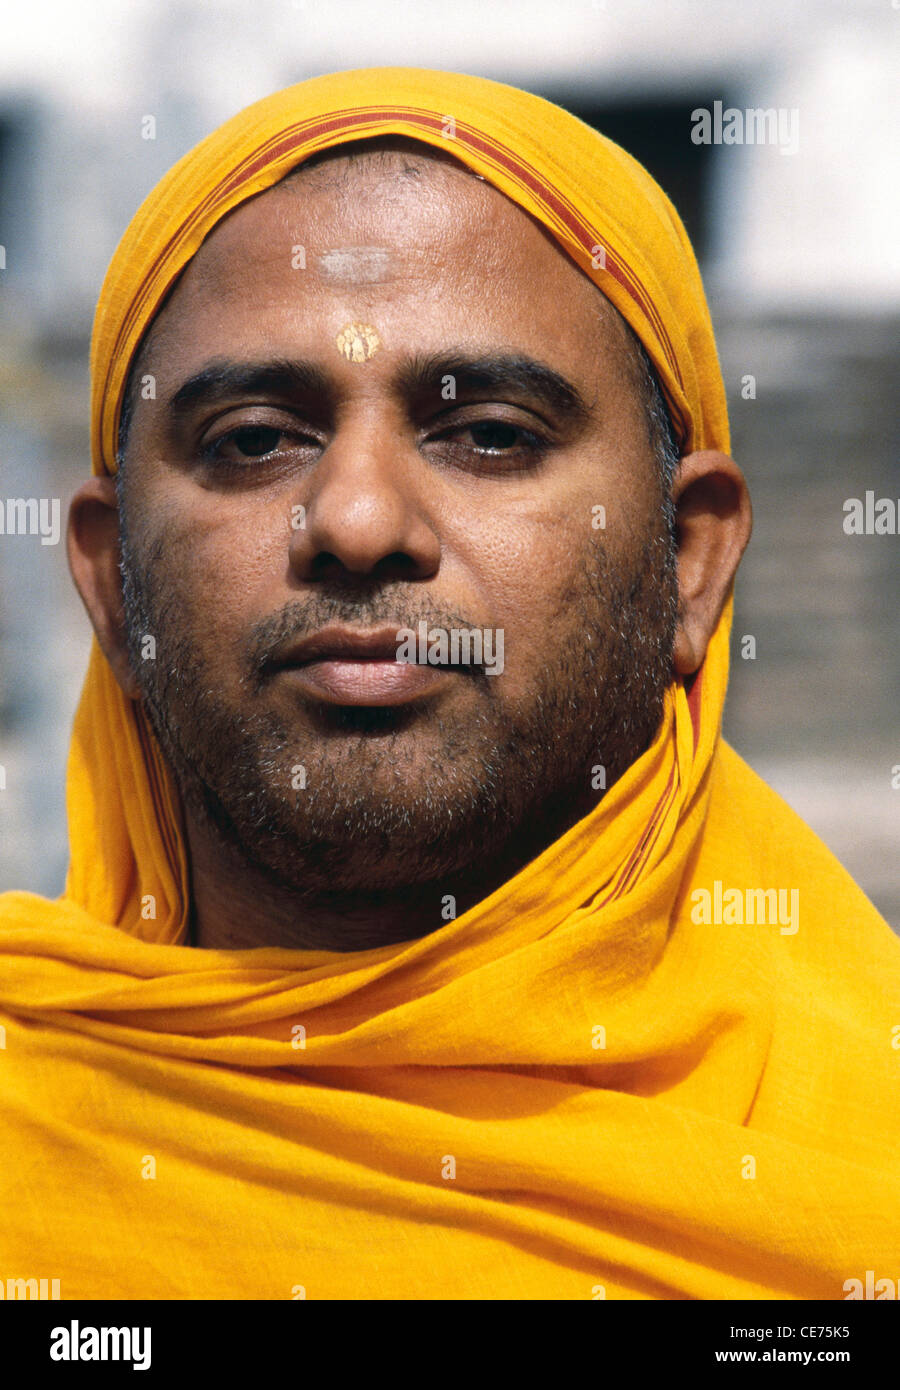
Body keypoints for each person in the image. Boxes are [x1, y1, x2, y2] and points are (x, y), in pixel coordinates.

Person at [0, 67, 896, 1301]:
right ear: (109, 582)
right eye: (255, 438)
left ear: (689, 561)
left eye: (490, 435)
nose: (358, 521)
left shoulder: (858, 1160)